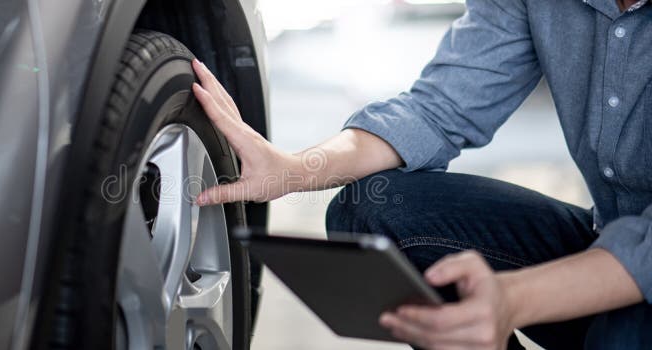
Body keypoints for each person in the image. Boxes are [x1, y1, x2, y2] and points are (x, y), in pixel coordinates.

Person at [189, 0, 651, 349]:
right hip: (604, 235)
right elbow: (439, 109)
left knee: (623, 331)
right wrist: (292, 170)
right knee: (374, 208)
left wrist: (516, 299)